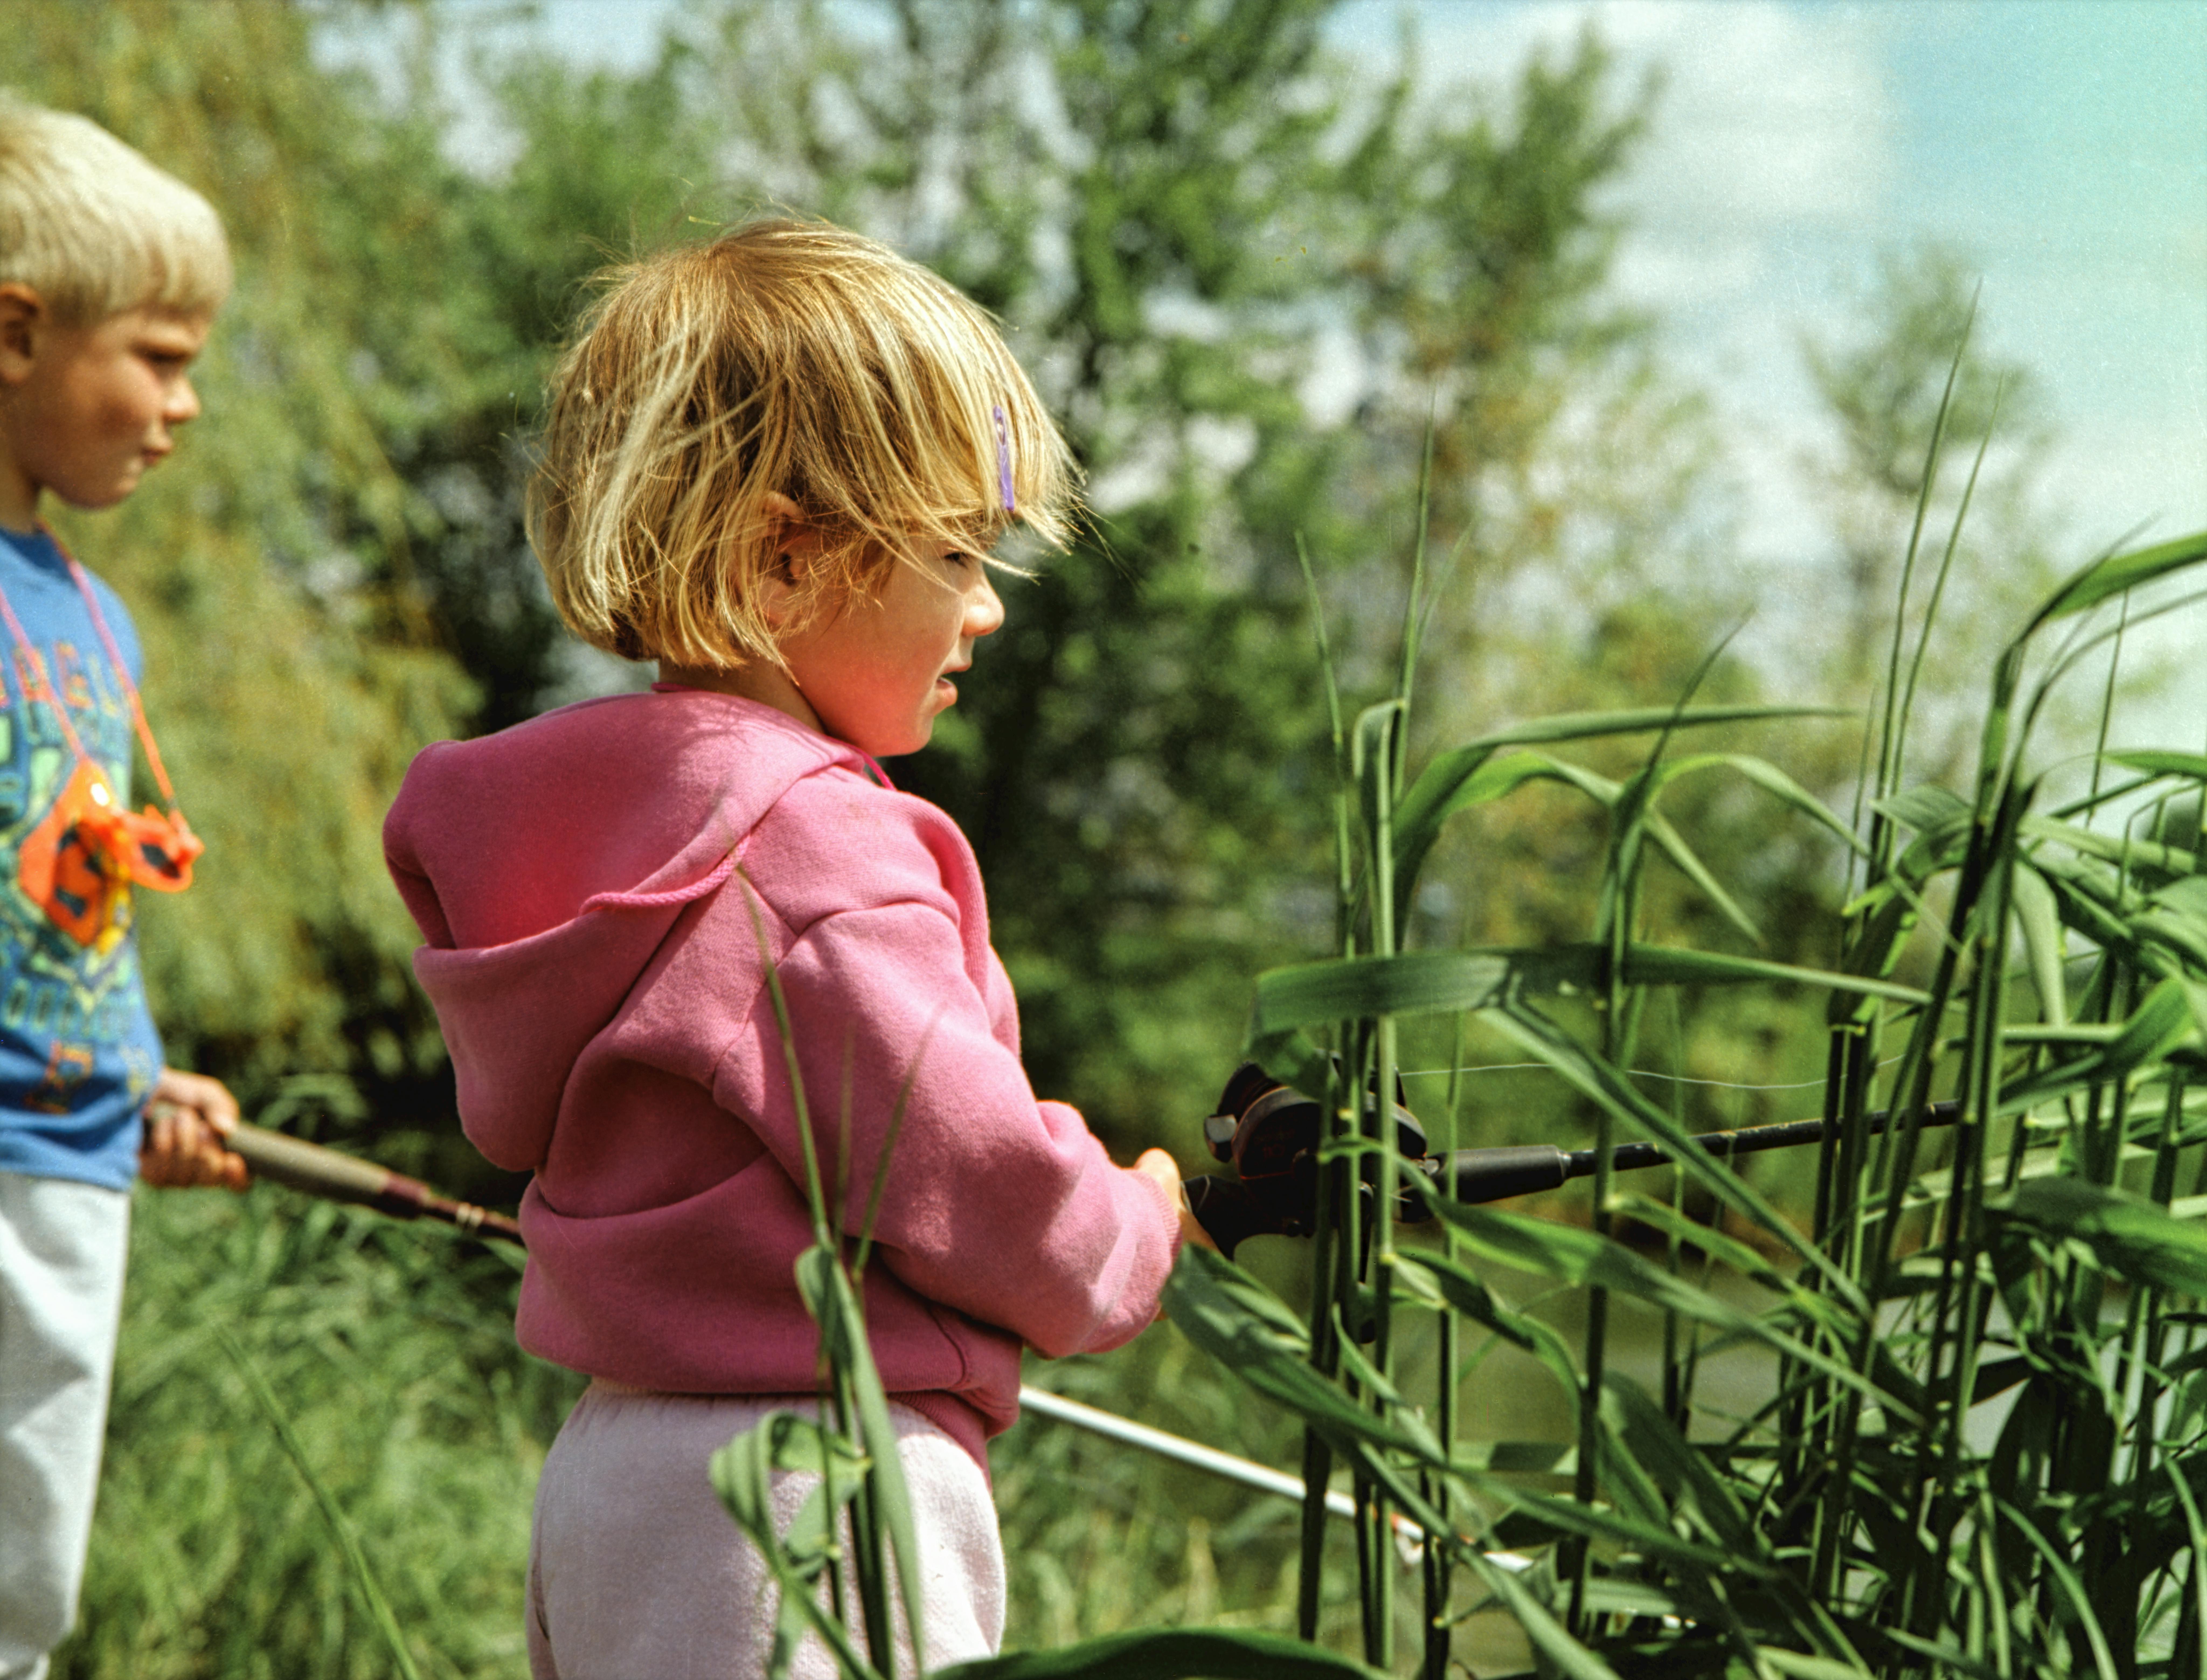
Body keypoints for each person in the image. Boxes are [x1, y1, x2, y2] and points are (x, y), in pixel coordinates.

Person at [382, 219, 1210, 1679]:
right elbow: (982, 1183)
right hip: (805, 1494)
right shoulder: (812, 850)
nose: (988, 605)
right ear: (781, 564)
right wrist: (1144, 1218)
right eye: (957, 552)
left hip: (613, 1477)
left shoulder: (608, 828)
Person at [0, 95, 248, 1680]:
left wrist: (150, 1071)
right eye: (159, 357)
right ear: (18, 331)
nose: (189, 404)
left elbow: (79, 895)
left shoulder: (96, 615)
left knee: (25, 1581)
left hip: (72, 1159)